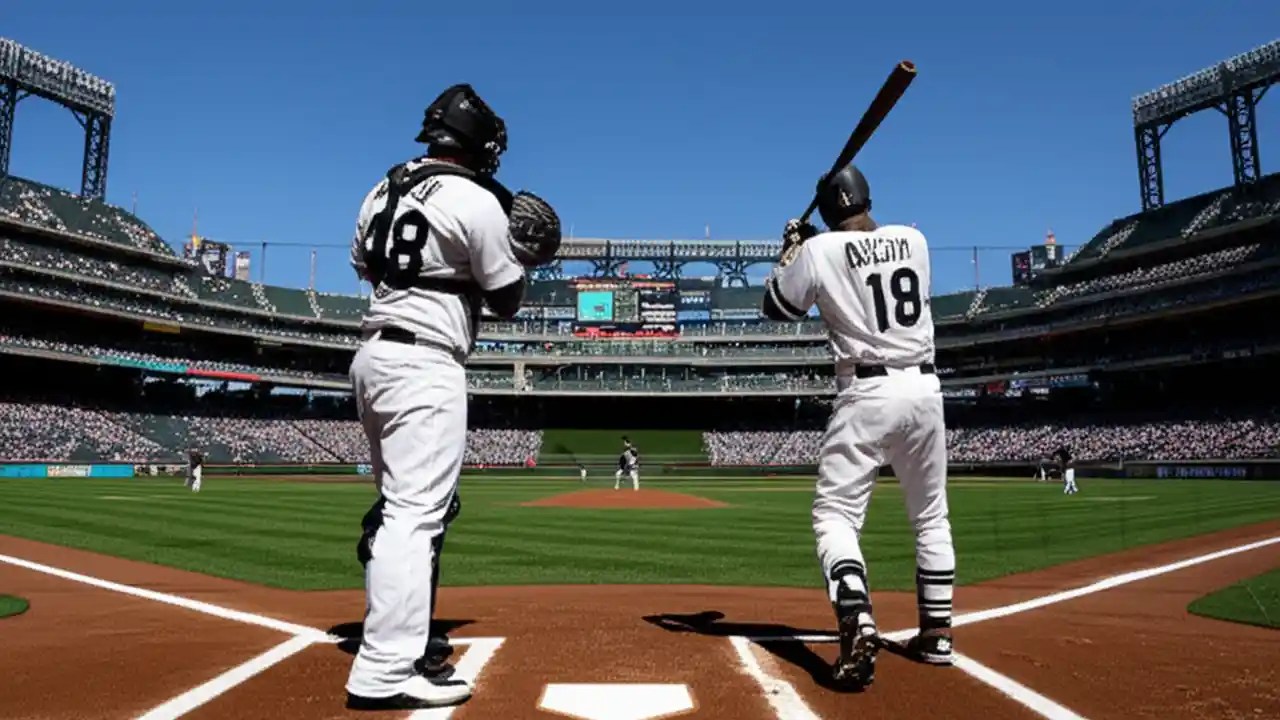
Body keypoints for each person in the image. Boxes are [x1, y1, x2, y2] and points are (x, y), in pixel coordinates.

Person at [344, 83, 561, 711]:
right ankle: (386, 667)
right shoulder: (474, 199)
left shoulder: (380, 188)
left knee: (401, 509)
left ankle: (409, 643)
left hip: (373, 355)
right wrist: (520, 254)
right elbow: (507, 296)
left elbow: (366, 263)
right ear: (480, 144)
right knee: (416, 516)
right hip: (425, 363)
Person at [761, 164, 956, 691]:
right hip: (924, 388)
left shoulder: (818, 252)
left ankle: (857, 618)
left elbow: (777, 307)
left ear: (825, 209)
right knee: (931, 515)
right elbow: (865, 254)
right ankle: (937, 635)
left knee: (835, 517)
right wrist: (812, 244)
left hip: (867, 389)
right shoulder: (914, 238)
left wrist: (792, 251)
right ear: (866, 195)